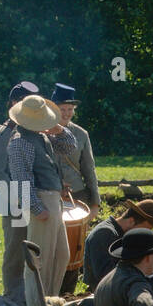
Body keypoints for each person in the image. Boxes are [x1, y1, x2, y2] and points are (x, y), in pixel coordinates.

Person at [6, 94, 77, 306]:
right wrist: (37, 208)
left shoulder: (41, 136)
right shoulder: (20, 142)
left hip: (54, 200)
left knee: (60, 255)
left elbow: (69, 146)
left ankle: (50, 301)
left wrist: (60, 130)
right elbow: (21, 179)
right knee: (39, 261)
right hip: (42, 201)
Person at [0, 80, 39, 306]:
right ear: (13, 103)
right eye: (23, 102)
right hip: (14, 203)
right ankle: (12, 297)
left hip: (36, 200)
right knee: (15, 252)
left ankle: (32, 295)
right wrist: (19, 196)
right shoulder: (2, 135)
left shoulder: (33, 131)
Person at [51, 83, 100, 292]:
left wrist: (95, 201)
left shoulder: (81, 134)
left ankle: (68, 291)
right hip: (51, 195)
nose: (67, 113)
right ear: (53, 109)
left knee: (74, 247)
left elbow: (89, 169)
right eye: (63, 109)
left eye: (70, 110)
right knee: (52, 245)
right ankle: (50, 287)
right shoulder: (41, 131)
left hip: (76, 197)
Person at [84, 198, 153, 290]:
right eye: (144, 229)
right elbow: (105, 275)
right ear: (131, 221)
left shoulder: (120, 234)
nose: (144, 233)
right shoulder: (105, 233)